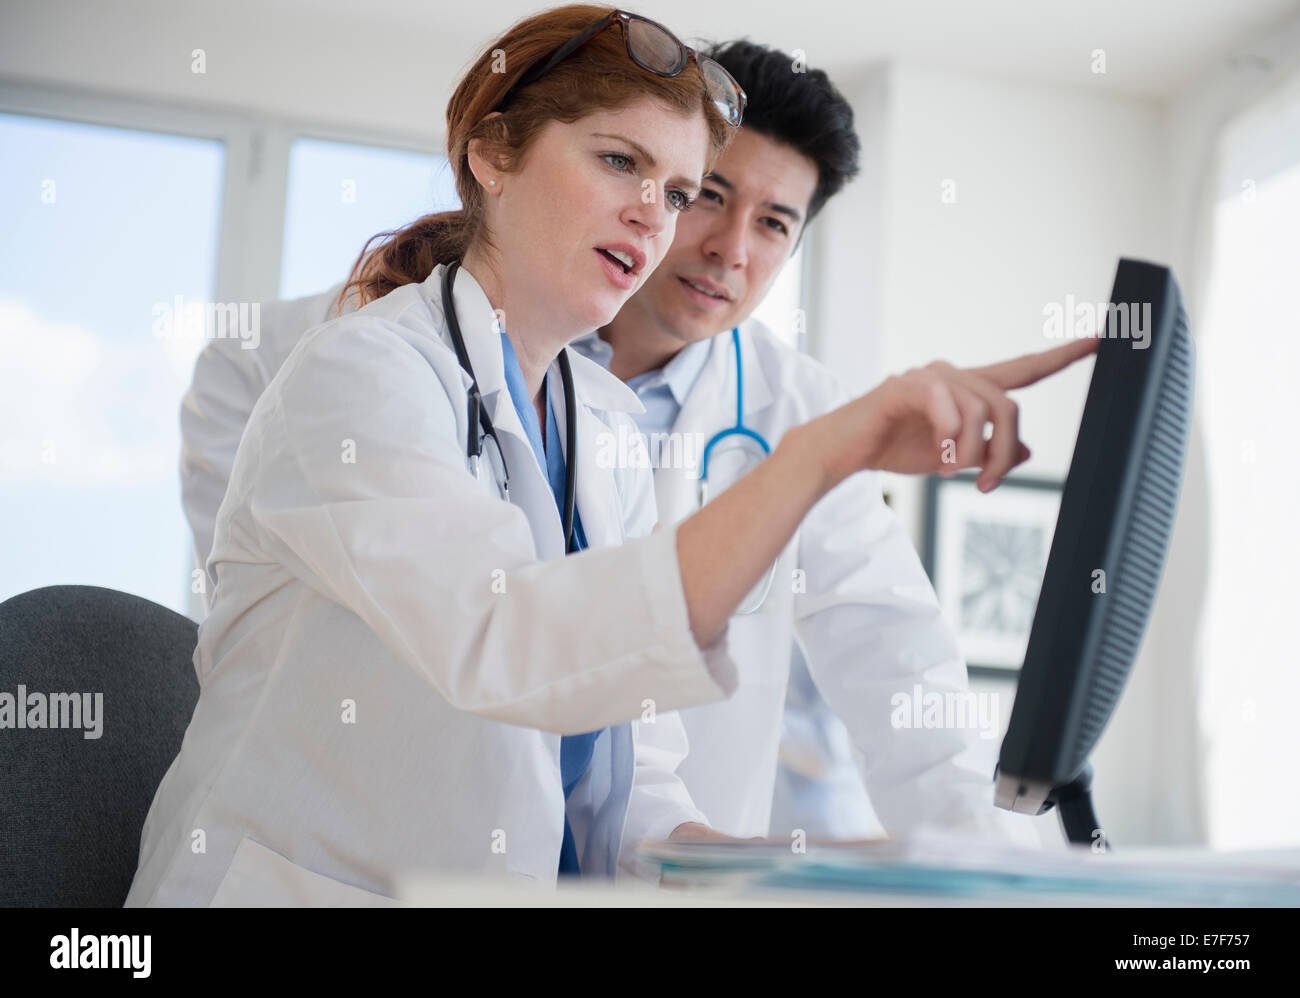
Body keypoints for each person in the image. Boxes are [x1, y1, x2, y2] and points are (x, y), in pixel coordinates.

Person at [158, 5, 1094, 904]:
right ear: (491, 154)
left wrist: (784, 869)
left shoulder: (595, 426)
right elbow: (505, 639)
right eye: (621, 162)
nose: (665, 220)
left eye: (678, 189)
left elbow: (633, 780)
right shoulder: (358, 373)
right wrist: (816, 457)